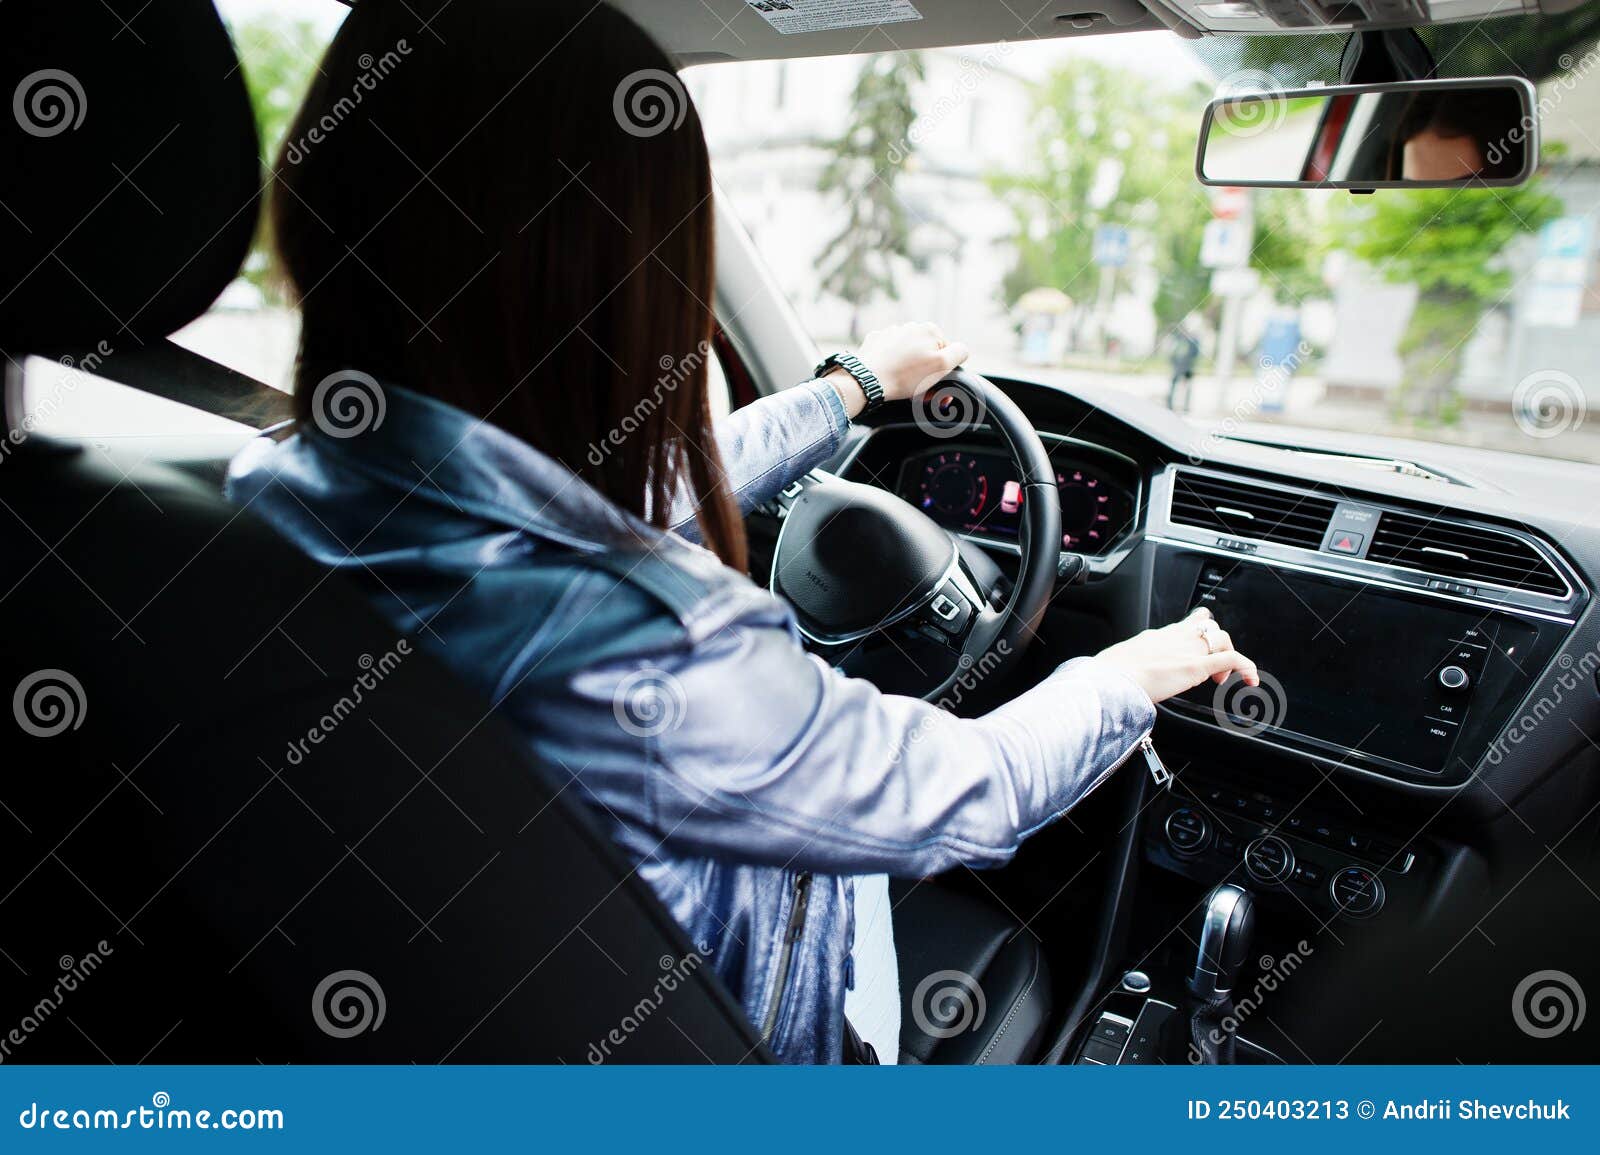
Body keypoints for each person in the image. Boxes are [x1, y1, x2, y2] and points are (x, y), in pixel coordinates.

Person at [227, 0, 1258, 1064]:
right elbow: (969, 791)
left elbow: (618, 493)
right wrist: (1127, 676)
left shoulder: (253, 497)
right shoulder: (657, 648)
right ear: (628, 276)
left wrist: (851, 390)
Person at [1167, 319, 1202, 412]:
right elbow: (1172, 353)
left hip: (1186, 367)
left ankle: (1184, 406)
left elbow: (1195, 353)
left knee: (1185, 387)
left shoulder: (1190, 339)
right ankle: (1171, 405)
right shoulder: (1180, 339)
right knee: (1175, 386)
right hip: (1180, 366)